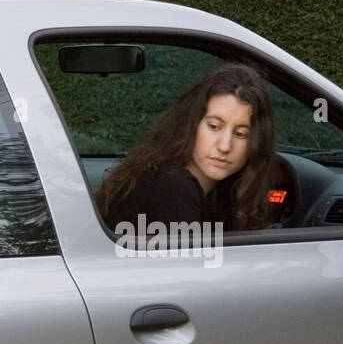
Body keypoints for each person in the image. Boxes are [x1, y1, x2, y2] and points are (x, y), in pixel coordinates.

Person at [97, 63, 277, 234]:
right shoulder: (173, 186)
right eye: (214, 126)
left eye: (240, 134)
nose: (224, 146)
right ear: (190, 124)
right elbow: (192, 265)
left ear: (255, 144)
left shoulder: (216, 192)